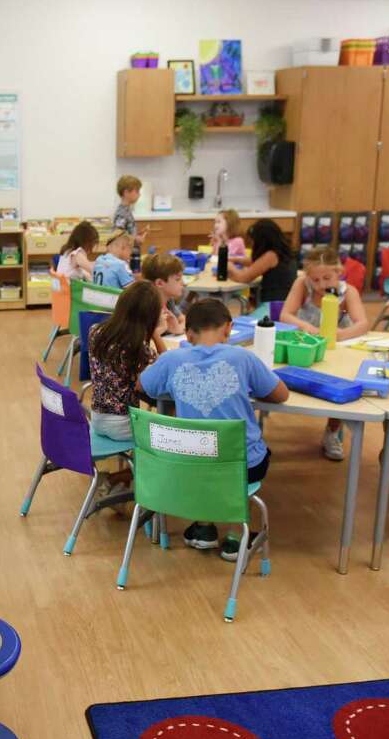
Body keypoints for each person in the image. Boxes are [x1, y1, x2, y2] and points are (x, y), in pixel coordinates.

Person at [140, 297, 289, 561]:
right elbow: (281, 395)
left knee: (205, 452)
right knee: (239, 454)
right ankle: (234, 534)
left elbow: (144, 387)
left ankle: (204, 526)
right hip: (243, 465)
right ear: (229, 328)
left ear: (188, 333)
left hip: (188, 461)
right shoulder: (244, 358)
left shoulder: (172, 360)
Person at [279, 246, 370, 460]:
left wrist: (339, 334)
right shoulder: (302, 284)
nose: (321, 285)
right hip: (307, 344)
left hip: (336, 346)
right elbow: (285, 314)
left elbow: (363, 324)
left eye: (327, 278)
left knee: (340, 380)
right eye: (315, 280)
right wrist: (308, 328)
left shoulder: (349, 292)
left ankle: (332, 431)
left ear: (339, 272)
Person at [88, 281, 167, 441]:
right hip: (123, 425)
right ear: (150, 317)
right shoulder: (140, 349)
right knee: (167, 431)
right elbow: (164, 368)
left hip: (97, 418)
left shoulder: (96, 331)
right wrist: (155, 334)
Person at [227, 219, 296, 304]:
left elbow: (243, 278)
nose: (253, 245)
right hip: (286, 303)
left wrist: (229, 266)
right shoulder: (282, 252)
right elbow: (255, 261)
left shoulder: (271, 256)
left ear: (262, 241)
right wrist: (236, 259)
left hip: (273, 306)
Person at [140, 252, 187, 336]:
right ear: (160, 283)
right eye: (178, 279)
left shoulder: (168, 300)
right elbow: (143, 342)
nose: (183, 283)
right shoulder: (145, 307)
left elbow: (183, 319)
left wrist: (178, 328)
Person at [112, 175, 148, 245]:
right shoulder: (122, 213)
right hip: (126, 255)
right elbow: (118, 235)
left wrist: (138, 233)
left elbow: (126, 232)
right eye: (137, 191)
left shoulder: (127, 210)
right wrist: (136, 239)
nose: (139, 194)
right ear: (126, 192)